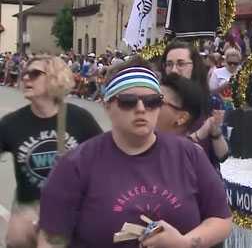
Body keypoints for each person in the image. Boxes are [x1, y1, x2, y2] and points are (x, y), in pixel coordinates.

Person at [37, 61, 232, 247]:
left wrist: (185, 242)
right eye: (128, 102)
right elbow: (51, 240)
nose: (141, 109)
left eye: (152, 101)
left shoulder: (189, 155)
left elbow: (221, 218)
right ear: (107, 106)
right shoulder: (74, 165)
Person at [0, 55, 102, 247]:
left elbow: (106, 164)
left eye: (35, 74)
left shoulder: (79, 119)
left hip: (70, 212)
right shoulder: (11, 124)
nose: (26, 78)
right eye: (24, 74)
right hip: (27, 213)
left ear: (55, 77)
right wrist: (20, 214)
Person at [161, 41, 229, 169]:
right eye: (169, 64)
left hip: (204, 180)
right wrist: (199, 134)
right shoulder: (157, 102)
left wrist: (215, 131)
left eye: (181, 64)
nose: (174, 70)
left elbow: (222, 155)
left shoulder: (211, 101)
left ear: (194, 67)